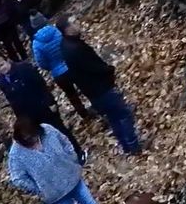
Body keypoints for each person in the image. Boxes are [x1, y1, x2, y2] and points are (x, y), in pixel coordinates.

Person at [6, 113, 123, 204]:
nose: (31, 139)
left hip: (72, 178)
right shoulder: (16, 154)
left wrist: (72, 157)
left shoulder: (47, 130)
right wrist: (38, 188)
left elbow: (65, 140)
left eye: (33, 135)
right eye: (27, 138)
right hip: (54, 194)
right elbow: (17, 178)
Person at [39, 20, 142, 155]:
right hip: (101, 88)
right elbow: (93, 67)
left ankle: (126, 145)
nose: (78, 24)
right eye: (74, 23)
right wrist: (109, 70)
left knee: (113, 117)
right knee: (123, 114)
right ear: (68, 30)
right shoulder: (75, 48)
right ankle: (133, 145)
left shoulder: (66, 45)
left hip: (91, 91)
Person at [0, 57, 77, 144]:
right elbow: (13, 102)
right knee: (45, 138)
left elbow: (41, 84)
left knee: (59, 129)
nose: (2, 68)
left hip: (43, 106)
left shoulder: (24, 68)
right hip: (29, 115)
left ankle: (77, 150)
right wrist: (21, 118)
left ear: (7, 60)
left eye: (2, 64)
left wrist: (50, 102)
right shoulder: (2, 82)